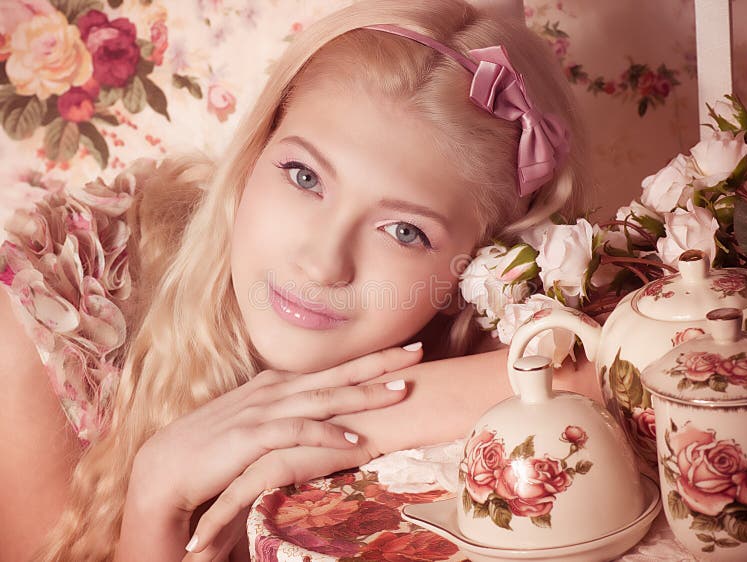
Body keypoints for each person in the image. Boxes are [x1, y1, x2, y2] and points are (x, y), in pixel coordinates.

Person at [0, 0, 596, 560]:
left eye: (405, 232)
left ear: (474, 270)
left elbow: (641, 364)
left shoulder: (492, 318)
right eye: (304, 177)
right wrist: (154, 497)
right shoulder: (62, 311)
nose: (322, 264)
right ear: (253, 154)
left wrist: (351, 422)